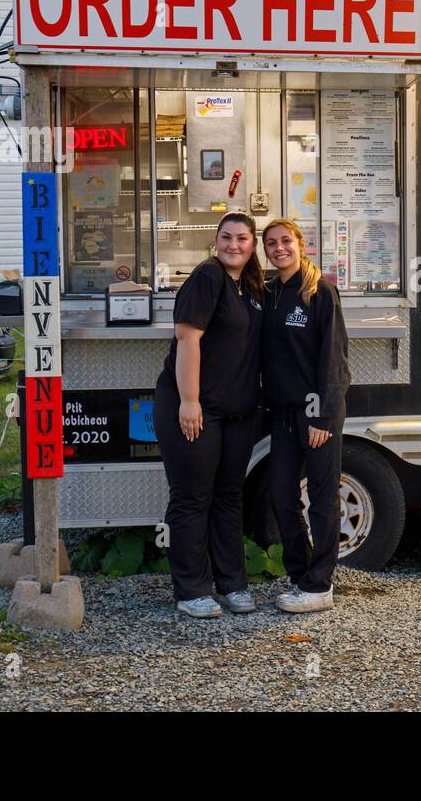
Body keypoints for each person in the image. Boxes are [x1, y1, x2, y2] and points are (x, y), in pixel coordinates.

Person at [154, 212, 264, 618]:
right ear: (215, 241)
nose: (234, 245)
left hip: (236, 414)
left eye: (242, 238)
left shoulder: (250, 286)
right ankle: (192, 590)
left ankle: (232, 584)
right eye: (226, 237)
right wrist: (189, 400)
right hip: (194, 410)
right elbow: (187, 338)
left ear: (252, 245)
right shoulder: (208, 276)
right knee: (192, 498)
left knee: (229, 497)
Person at [260, 218, 351, 613]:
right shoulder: (268, 293)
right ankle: (300, 576)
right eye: (271, 243)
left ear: (301, 244)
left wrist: (322, 417)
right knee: (281, 495)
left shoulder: (320, 292)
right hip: (282, 414)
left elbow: (334, 360)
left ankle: (320, 585)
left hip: (317, 413)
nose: (279, 248)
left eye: (285, 241)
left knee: (321, 497)